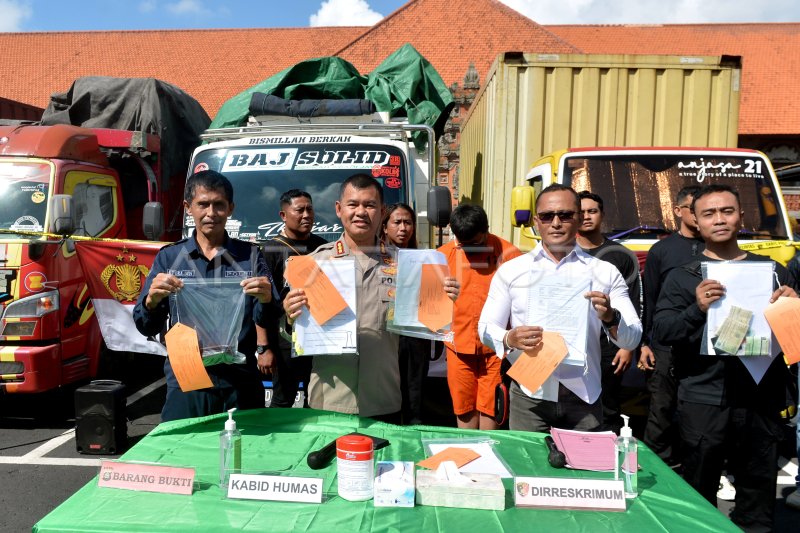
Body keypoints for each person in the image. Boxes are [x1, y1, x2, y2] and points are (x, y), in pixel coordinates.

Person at [653, 184, 797, 531]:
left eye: (727, 211)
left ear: (741, 217)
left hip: (761, 396)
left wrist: (792, 305)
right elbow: (662, 330)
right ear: (695, 222)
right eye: (709, 213)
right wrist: (697, 308)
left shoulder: (774, 270)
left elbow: (792, 336)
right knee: (697, 494)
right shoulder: (683, 276)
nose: (719, 219)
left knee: (758, 497)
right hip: (704, 397)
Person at [283, 174, 459, 421]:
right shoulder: (314, 264)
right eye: (353, 204)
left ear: (382, 211)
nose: (361, 212)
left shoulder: (407, 266)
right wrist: (290, 318)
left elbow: (428, 328)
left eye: (370, 205)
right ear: (339, 209)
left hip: (383, 398)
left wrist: (442, 302)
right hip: (329, 398)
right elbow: (292, 334)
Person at [478, 184, 641, 432]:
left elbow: (632, 338)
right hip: (529, 394)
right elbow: (486, 328)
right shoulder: (513, 271)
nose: (556, 222)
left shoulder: (604, 272)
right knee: (527, 468)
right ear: (536, 221)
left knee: (584, 470)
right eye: (547, 216)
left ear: (579, 219)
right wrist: (509, 337)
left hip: (584, 395)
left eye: (565, 215)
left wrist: (610, 317)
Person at [133, 170, 276, 422]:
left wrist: (266, 300)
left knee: (244, 454)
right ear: (189, 208)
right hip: (187, 378)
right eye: (203, 204)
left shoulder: (250, 256)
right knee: (182, 455)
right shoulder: (169, 257)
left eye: (219, 205)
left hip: (239, 380)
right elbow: (146, 326)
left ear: (230, 208)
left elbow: (269, 317)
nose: (211, 213)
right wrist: (151, 301)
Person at [438, 204, 521, 430]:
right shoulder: (442, 257)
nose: (470, 249)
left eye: (476, 243)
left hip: (496, 349)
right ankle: (467, 455)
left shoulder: (510, 255)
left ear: (486, 230)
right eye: (463, 245)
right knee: (464, 409)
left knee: (491, 409)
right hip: (458, 346)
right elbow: (426, 302)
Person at [639, 185, 704, 466]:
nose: (702, 216)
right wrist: (643, 343)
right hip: (665, 342)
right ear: (678, 211)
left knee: (699, 411)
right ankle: (658, 466)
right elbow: (649, 300)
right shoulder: (661, 250)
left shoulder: (715, 248)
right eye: (695, 208)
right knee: (661, 407)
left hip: (704, 342)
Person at [576, 191, 641, 433]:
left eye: (592, 211)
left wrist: (627, 347)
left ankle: (608, 462)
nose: (586, 216)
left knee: (609, 406)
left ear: (602, 215)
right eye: (580, 212)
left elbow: (634, 302)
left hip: (609, 347)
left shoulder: (621, 255)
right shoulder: (563, 252)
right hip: (571, 345)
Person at [258, 189, 327, 408]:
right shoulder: (270, 250)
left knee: (316, 397)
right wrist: (264, 348)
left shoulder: (323, 247)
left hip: (320, 339)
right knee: (282, 400)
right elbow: (260, 303)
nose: (307, 215)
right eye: (300, 210)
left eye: (310, 209)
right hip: (285, 340)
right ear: (283, 215)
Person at [381, 202, 430, 425]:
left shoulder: (426, 259)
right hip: (383, 337)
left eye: (408, 222)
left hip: (415, 336)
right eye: (397, 222)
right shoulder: (374, 258)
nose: (403, 228)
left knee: (414, 394)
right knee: (387, 394)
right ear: (384, 227)